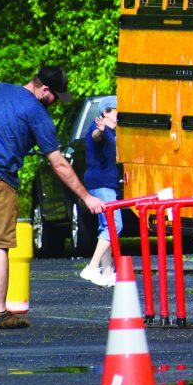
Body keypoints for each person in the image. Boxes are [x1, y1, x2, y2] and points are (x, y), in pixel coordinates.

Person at [0, 65, 105, 330]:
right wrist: (86, 197)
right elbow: (59, 163)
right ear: (44, 89)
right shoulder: (37, 114)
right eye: (55, 96)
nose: (55, 102)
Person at [79, 98, 120, 287]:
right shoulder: (99, 129)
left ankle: (107, 272)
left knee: (106, 227)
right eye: (118, 110)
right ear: (107, 112)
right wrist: (101, 130)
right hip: (101, 185)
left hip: (106, 185)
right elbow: (96, 136)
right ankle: (92, 267)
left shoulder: (113, 132)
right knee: (114, 226)